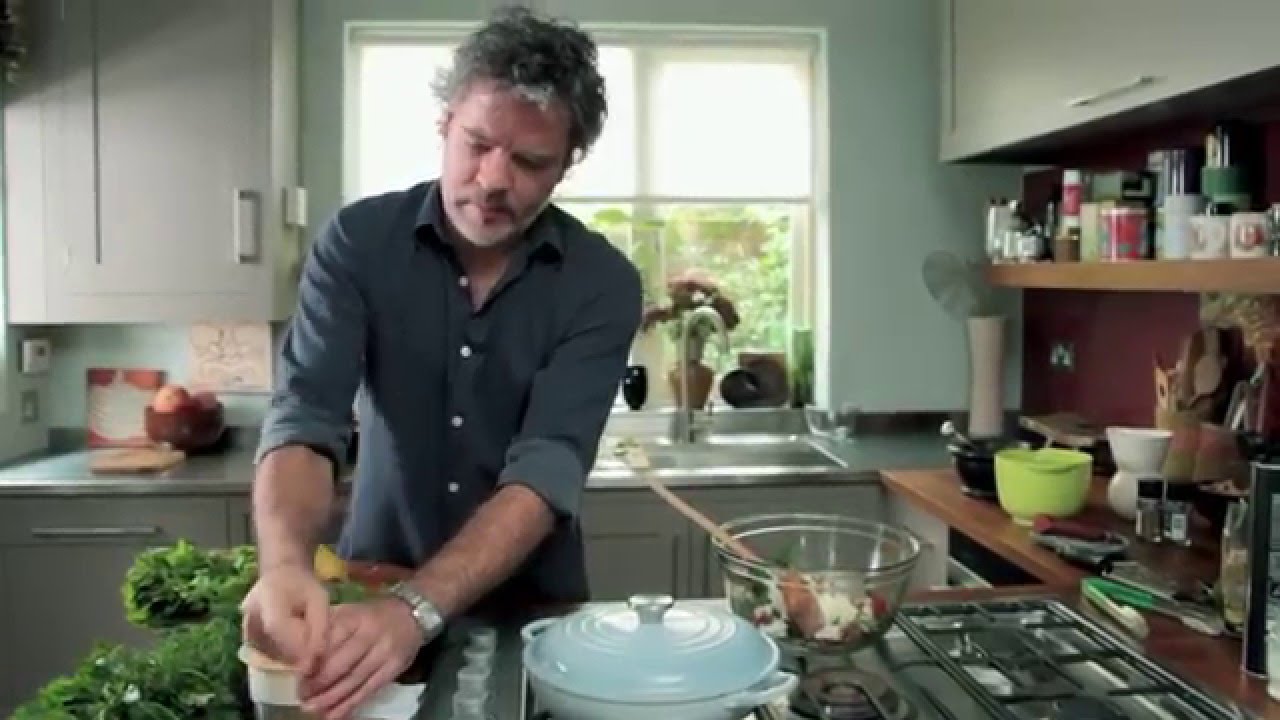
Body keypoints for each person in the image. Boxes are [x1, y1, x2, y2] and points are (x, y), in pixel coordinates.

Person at [239, 7, 642, 719]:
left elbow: (547, 465)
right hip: (364, 592)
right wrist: (283, 565)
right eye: (477, 143)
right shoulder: (358, 242)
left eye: (530, 162)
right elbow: (307, 416)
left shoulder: (602, 283)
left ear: (568, 161)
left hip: (531, 612)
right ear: (445, 124)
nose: (492, 179)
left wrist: (417, 608)